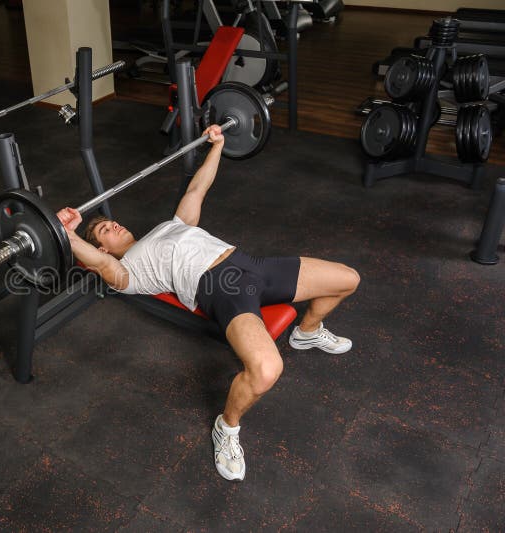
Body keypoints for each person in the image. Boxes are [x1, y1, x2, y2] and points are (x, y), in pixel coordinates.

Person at [55, 125, 360, 482]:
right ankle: (226, 428)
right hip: (222, 290)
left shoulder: (170, 226)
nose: (114, 226)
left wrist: (217, 144)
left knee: (347, 279)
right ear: (102, 247)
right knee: (265, 371)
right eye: (105, 230)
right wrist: (67, 234)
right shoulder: (126, 272)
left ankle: (307, 332)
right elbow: (98, 263)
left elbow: (198, 187)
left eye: (112, 221)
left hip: (252, 266)